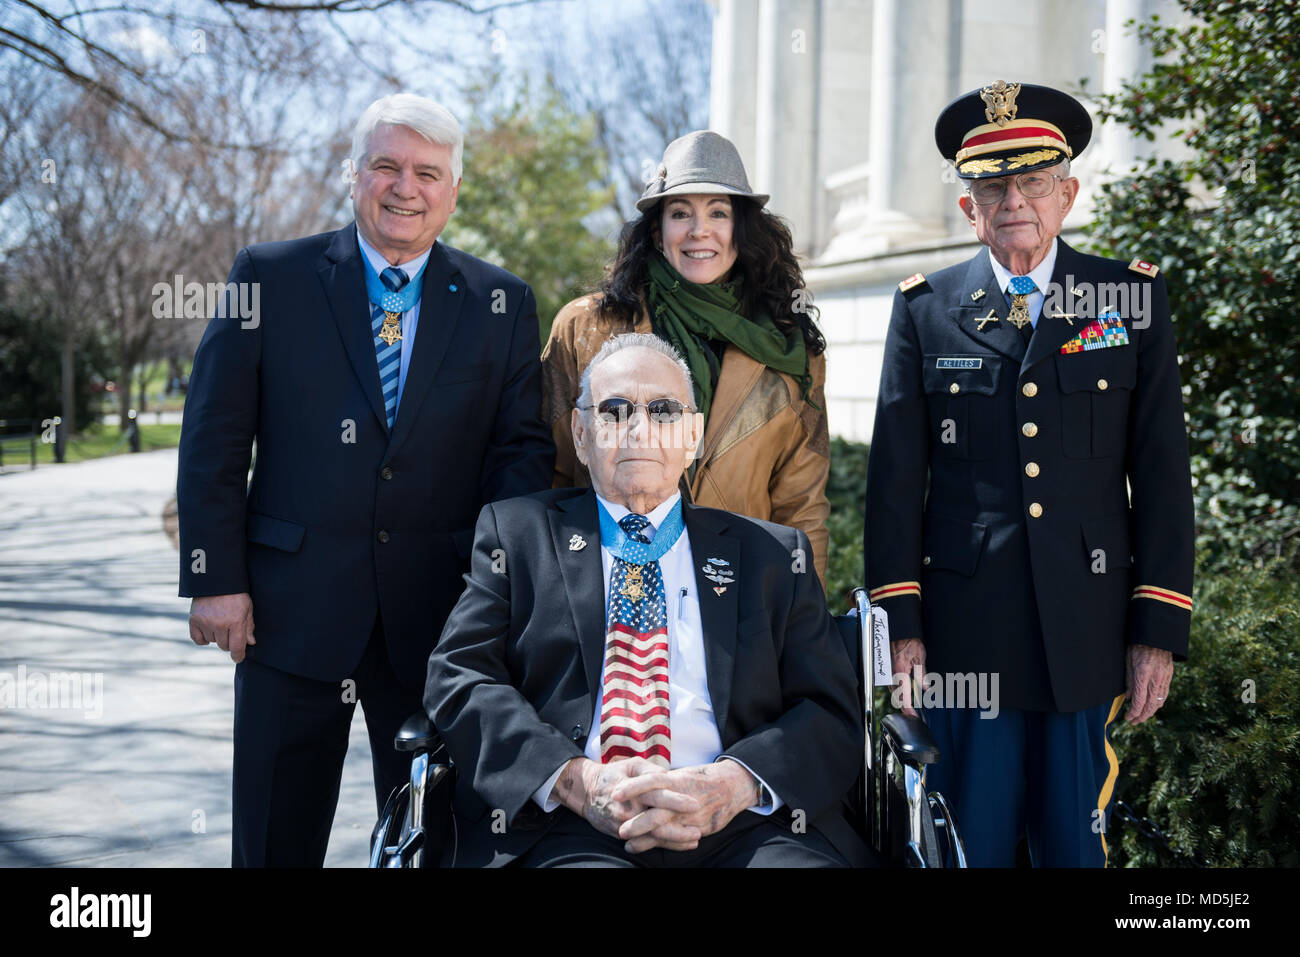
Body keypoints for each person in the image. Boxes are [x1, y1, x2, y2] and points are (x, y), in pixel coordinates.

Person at [177, 92, 554, 867]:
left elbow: (518, 457)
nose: (404, 187)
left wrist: (502, 596)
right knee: (273, 842)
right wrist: (215, 578)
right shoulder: (267, 277)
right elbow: (213, 437)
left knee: (435, 845)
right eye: (387, 165)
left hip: (441, 622)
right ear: (354, 174)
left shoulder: (502, 302)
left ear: (453, 190)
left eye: (427, 172)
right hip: (287, 616)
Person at [863, 81, 1194, 867]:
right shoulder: (926, 308)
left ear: (1067, 195)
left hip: (1088, 627)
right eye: (992, 187)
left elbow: (1162, 472)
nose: (1014, 201)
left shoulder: (1128, 298)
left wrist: (1157, 629)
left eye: (1034, 182)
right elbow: (894, 481)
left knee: (1075, 849)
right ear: (968, 208)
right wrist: (900, 629)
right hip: (965, 636)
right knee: (967, 845)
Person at [425, 333, 866, 867]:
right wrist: (575, 781)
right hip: (568, 825)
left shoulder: (772, 555)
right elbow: (459, 676)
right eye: (614, 411)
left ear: (693, 436)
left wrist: (735, 783)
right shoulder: (516, 535)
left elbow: (829, 709)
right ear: (581, 435)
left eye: (663, 410)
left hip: (745, 823)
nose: (639, 429)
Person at [542, 130, 833, 587]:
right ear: (658, 233)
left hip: (740, 594)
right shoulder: (584, 328)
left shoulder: (790, 348)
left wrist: (802, 615)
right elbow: (551, 475)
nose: (699, 230)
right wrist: (553, 592)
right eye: (680, 213)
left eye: (718, 212)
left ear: (742, 228)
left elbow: (802, 506)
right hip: (602, 587)